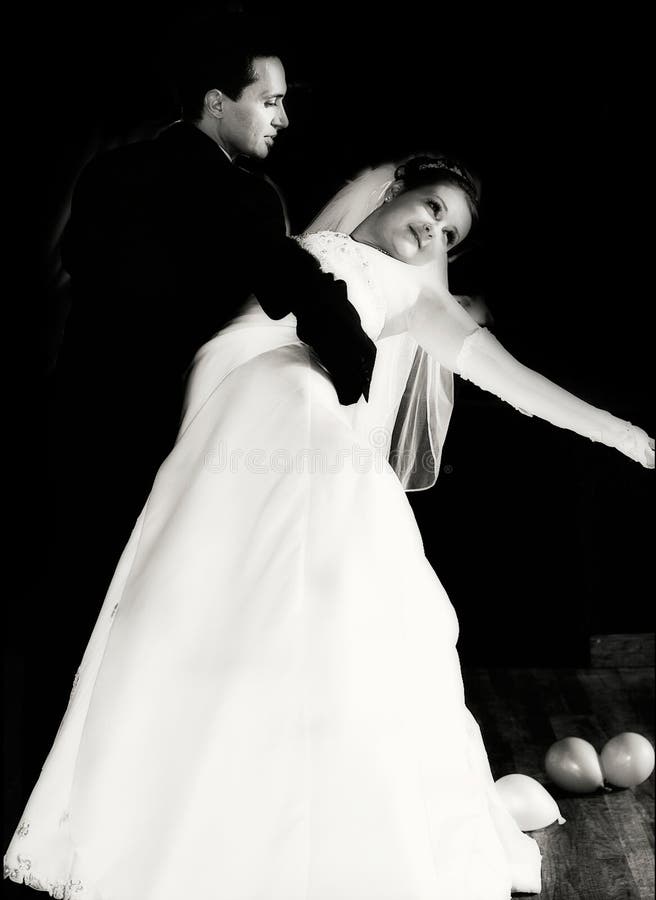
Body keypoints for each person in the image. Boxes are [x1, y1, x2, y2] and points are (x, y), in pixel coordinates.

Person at [8, 155, 652, 899]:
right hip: (220, 434)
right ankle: (211, 818)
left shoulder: (414, 298)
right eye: (434, 207)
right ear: (390, 192)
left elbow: (521, 387)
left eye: (450, 233)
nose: (435, 230)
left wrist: (626, 435)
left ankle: (330, 828)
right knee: (200, 623)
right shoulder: (288, 246)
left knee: (326, 610)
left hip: (304, 425)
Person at [43, 27, 376, 770]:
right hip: (157, 422)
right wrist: (354, 357)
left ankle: (57, 774)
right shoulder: (238, 191)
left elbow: (77, 265)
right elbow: (291, 279)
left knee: (71, 605)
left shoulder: (111, 168)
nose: (281, 119)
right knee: (143, 609)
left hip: (74, 411)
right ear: (216, 102)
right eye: (270, 100)